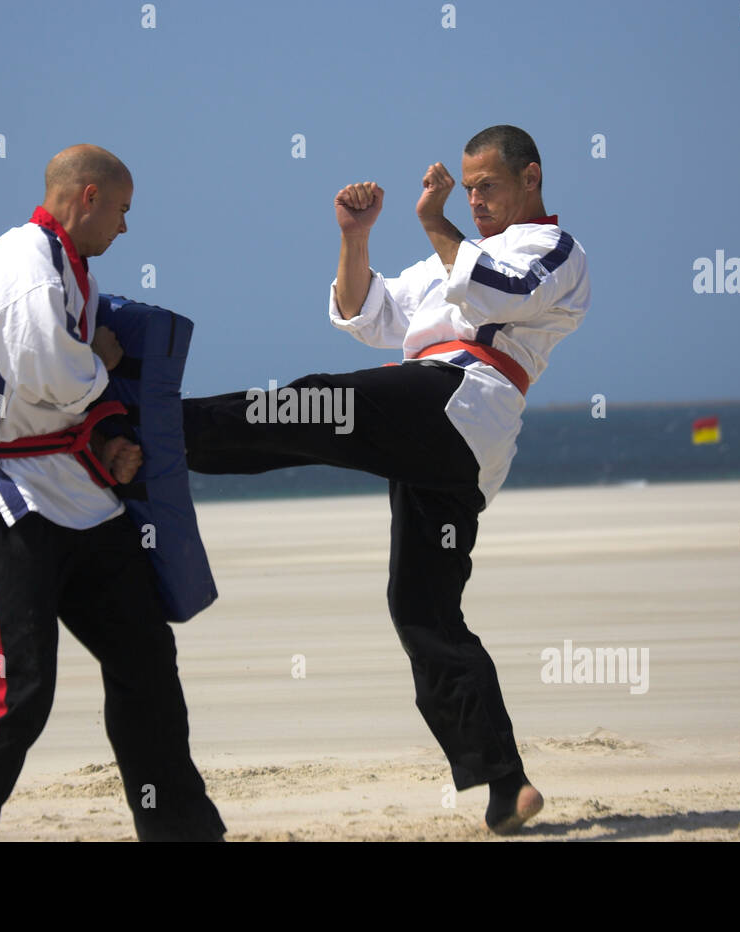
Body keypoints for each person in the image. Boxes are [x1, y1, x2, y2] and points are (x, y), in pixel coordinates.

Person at [183, 125, 590, 834]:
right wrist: (356, 234)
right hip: (432, 435)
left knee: (315, 404)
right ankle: (506, 781)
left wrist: (435, 221)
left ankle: (164, 429)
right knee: (422, 610)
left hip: (462, 404)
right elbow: (368, 314)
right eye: (467, 189)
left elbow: (494, 295)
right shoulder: (447, 258)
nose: (476, 200)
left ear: (532, 178)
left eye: (488, 185)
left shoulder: (555, 250)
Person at [0, 144, 226, 842]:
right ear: (88, 197)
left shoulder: (69, 268)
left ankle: (181, 831)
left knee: (144, 655)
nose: (124, 228)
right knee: (18, 698)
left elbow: (64, 404)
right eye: (120, 210)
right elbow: (54, 377)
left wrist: (109, 434)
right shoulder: (24, 270)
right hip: (11, 500)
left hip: (77, 493)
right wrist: (107, 364)